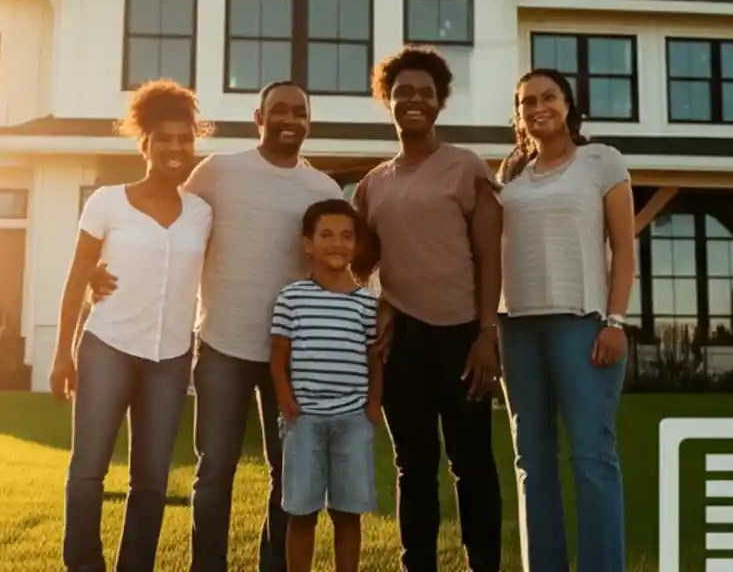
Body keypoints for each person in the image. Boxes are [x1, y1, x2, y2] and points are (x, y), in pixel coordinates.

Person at [90, 81, 343, 572]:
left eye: (299, 111)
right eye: (279, 110)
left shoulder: (324, 189)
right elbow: (166, 223)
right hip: (222, 345)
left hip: (290, 354)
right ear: (258, 117)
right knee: (215, 472)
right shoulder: (219, 172)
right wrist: (100, 266)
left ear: (308, 121)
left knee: (287, 473)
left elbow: (337, 262)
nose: (289, 119)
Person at [50, 79, 214, 572]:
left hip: (169, 358)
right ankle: (83, 565)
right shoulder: (108, 202)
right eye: (164, 138)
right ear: (144, 142)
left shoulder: (202, 213)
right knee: (88, 470)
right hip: (108, 346)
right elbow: (79, 275)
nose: (176, 148)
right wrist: (63, 352)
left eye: (185, 139)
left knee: (151, 479)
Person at [353, 44, 504, 572]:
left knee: (472, 463)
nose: (414, 100)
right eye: (402, 93)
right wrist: (384, 304)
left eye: (425, 92)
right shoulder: (373, 185)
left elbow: (488, 254)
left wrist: (487, 332)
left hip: (463, 337)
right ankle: (417, 563)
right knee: (412, 465)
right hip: (404, 345)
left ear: (440, 102)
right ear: (387, 102)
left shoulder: (467, 168)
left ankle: (482, 562)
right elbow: (361, 263)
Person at [495, 69, 635, 572]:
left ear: (568, 104)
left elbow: (624, 249)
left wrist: (615, 320)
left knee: (592, 457)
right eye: (526, 101)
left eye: (548, 96)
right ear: (518, 114)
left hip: (582, 324)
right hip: (516, 327)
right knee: (531, 461)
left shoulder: (602, 162)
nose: (538, 107)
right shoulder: (509, 177)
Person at [269, 199, 382, 572]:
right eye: (327, 235)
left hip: (353, 419)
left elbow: (374, 361)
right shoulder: (292, 298)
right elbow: (278, 358)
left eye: (347, 236)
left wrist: (372, 408)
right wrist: (287, 400)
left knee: (348, 513)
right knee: (301, 513)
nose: (338, 244)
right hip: (304, 420)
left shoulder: (367, 304)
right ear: (308, 244)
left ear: (357, 245)